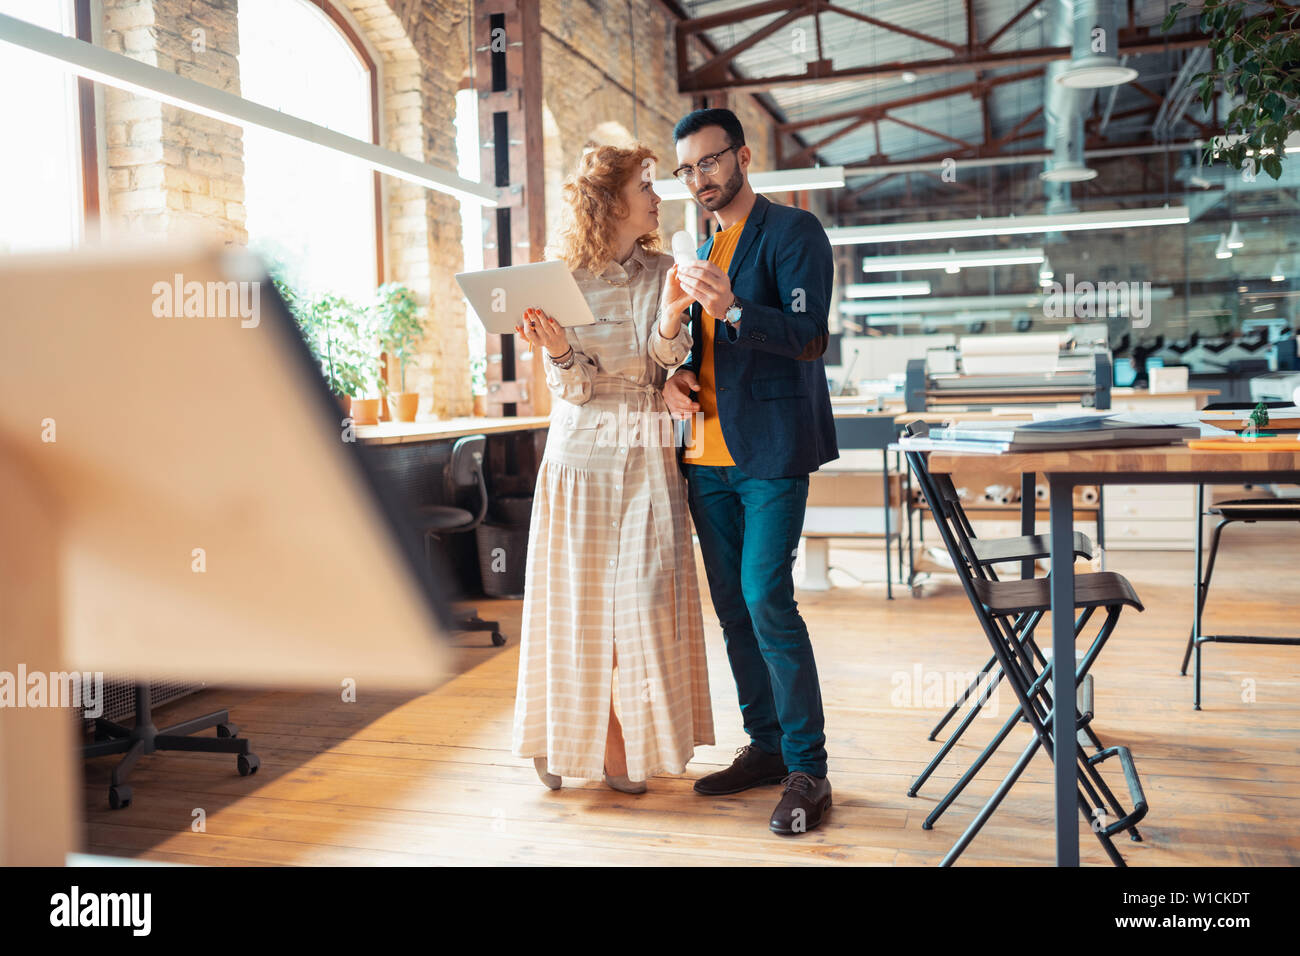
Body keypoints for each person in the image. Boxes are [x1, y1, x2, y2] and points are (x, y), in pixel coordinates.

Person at [510, 143, 715, 793]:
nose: (658, 197)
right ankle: (586, 732)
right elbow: (570, 388)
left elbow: (663, 361)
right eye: (646, 186)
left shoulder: (665, 269)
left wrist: (675, 314)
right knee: (579, 603)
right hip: (583, 452)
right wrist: (561, 349)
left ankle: (596, 727)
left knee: (648, 597)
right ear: (610, 200)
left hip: (650, 449)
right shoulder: (559, 276)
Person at [663, 108, 838, 835]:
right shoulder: (699, 245)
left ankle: (808, 769)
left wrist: (733, 308)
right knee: (734, 611)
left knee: (767, 599)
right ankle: (764, 746)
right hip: (705, 458)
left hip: (768, 454)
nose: (699, 178)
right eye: (687, 169)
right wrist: (672, 373)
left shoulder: (792, 233)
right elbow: (699, 358)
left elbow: (808, 338)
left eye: (708, 162)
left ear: (741, 156)